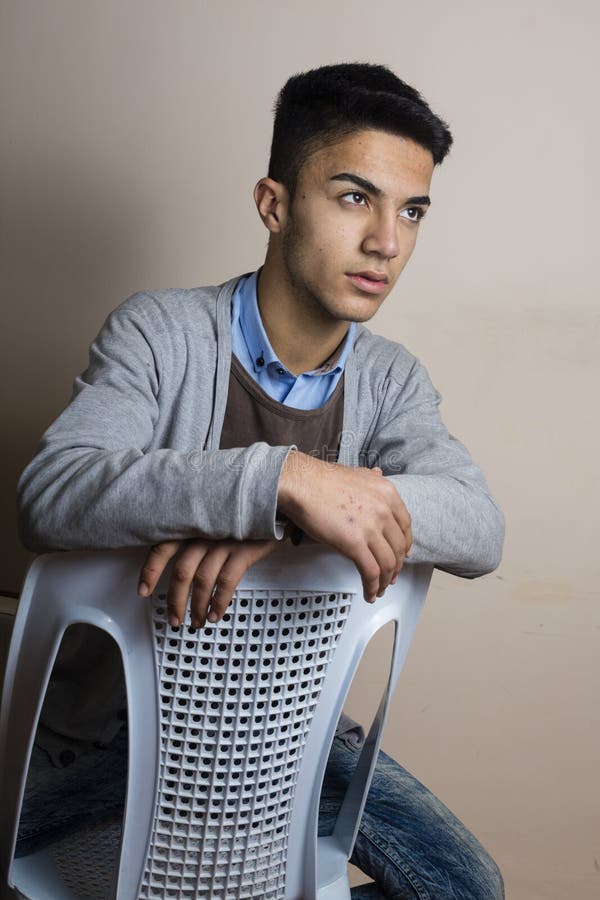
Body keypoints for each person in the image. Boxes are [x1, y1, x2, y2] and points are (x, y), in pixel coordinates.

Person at [16, 63, 505, 898]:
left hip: (289, 742)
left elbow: (479, 529)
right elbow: (52, 490)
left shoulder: (391, 380)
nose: (388, 240)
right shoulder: (159, 331)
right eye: (356, 197)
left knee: (463, 886)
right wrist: (282, 479)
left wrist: (288, 521)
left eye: (411, 210)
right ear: (274, 204)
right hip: (110, 747)